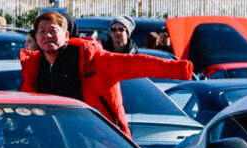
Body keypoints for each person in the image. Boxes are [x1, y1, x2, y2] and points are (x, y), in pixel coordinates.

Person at [20, 11, 192, 136]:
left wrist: (181, 70)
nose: (47, 35)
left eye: (53, 30)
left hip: (98, 139)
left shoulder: (93, 59)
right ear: (36, 36)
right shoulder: (33, 66)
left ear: (66, 35)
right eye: (42, 31)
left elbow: (137, 64)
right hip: (49, 139)